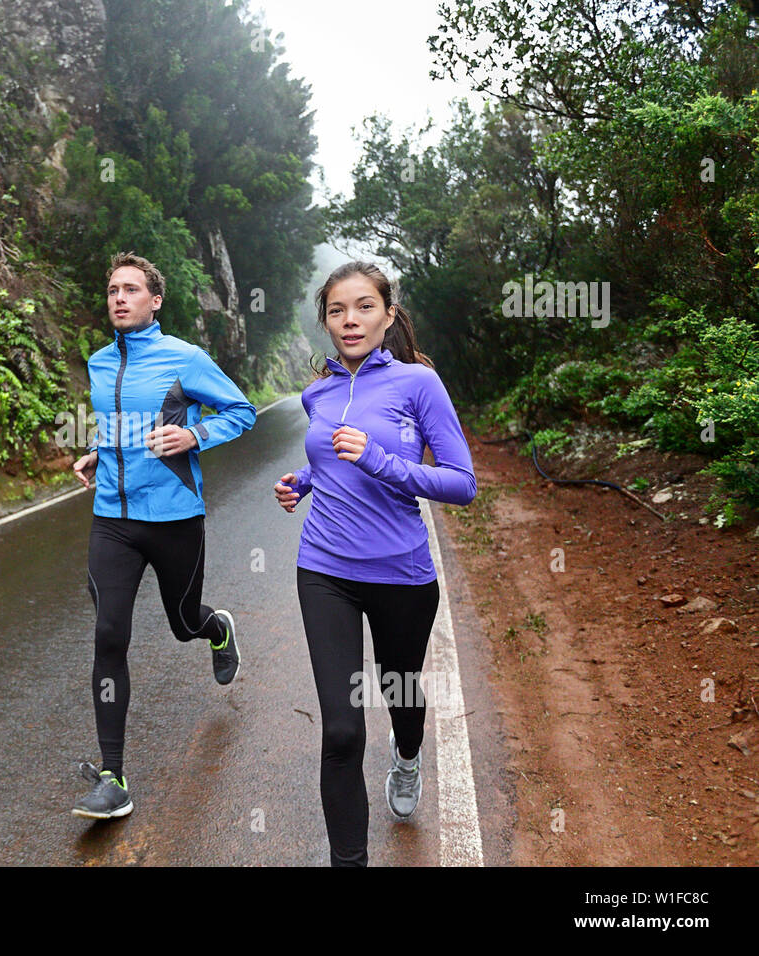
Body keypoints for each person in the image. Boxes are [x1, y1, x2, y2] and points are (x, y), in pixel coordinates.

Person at [273, 260, 476, 866]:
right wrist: (304, 482)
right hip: (325, 570)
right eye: (337, 310)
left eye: (364, 306)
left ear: (389, 315)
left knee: (400, 693)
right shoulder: (318, 391)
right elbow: (333, 459)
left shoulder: (419, 384)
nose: (350, 319)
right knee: (341, 731)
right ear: (326, 323)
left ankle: (408, 755)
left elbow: (462, 484)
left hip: (402, 576)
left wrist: (381, 463)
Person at [69, 251, 256, 820]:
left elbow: (243, 412)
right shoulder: (101, 362)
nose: (118, 298)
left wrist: (194, 436)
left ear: (154, 300)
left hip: (175, 518)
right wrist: (101, 453)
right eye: (111, 291)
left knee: (183, 623)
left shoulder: (187, 358)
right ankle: (114, 776)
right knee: (108, 635)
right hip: (114, 519)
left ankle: (215, 627)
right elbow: (121, 424)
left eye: (130, 289)